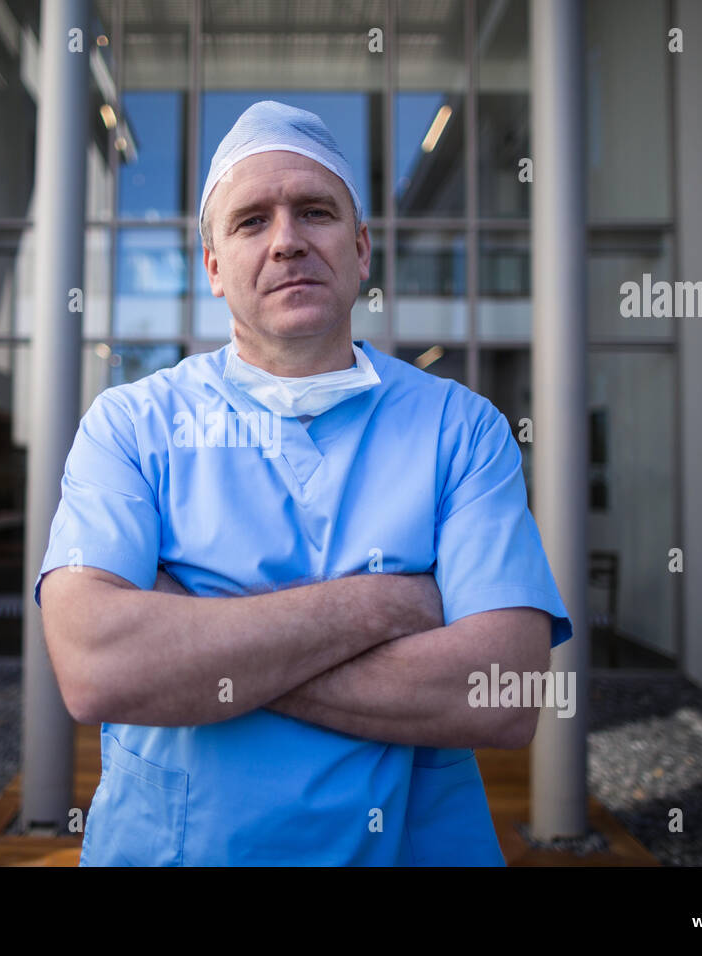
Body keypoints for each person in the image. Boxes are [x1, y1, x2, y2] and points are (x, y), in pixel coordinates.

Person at [35, 100, 573, 866]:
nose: (287, 240)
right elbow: (96, 670)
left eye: (315, 212)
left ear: (361, 249)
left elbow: (503, 693)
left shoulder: (461, 428)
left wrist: (197, 641)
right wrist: (386, 606)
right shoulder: (131, 425)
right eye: (251, 221)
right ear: (214, 268)